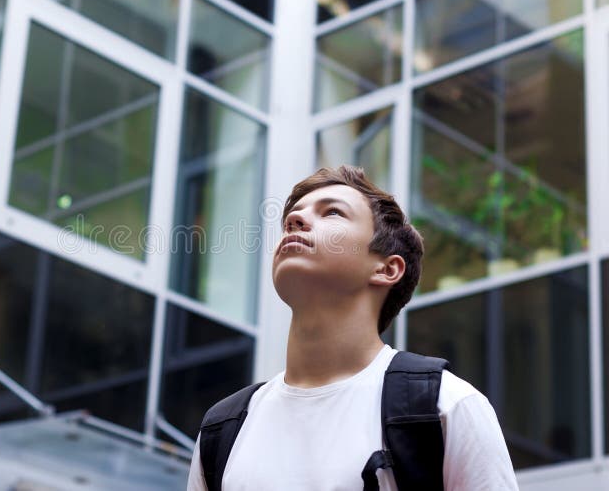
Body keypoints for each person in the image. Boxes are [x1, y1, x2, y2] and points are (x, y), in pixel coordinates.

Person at [186, 165, 518, 490]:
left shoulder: (445, 405)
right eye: (293, 216)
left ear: (387, 269)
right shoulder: (222, 431)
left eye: (332, 213)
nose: (294, 221)